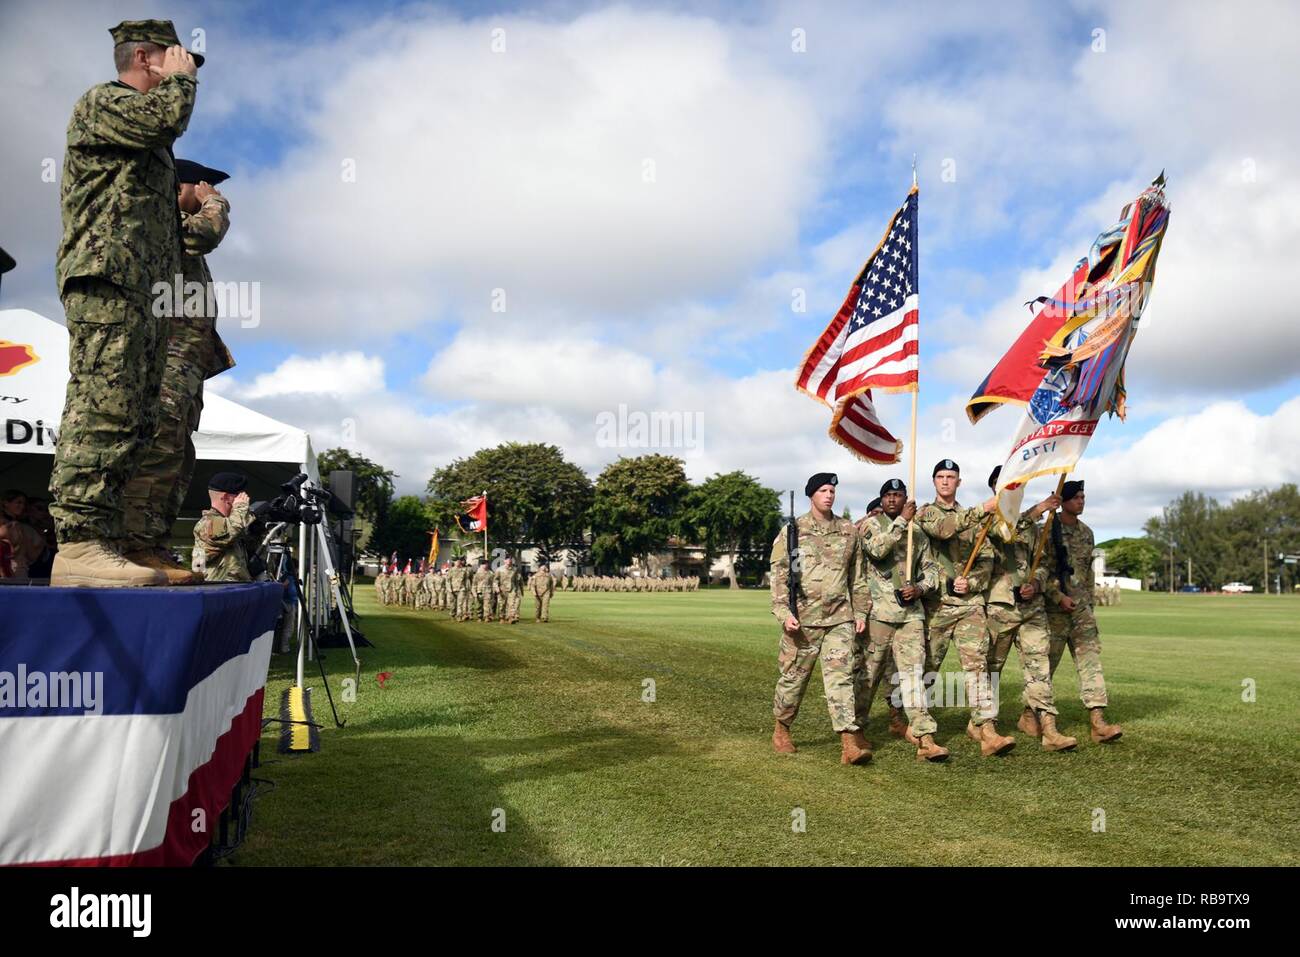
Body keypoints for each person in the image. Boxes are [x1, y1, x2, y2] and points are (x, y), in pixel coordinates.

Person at [49, 20, 201, 588]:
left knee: (139, 419)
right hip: (107, 278)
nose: (186, 64)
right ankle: (80, 542)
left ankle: (114, 541)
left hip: (145, 292)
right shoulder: (104, 103)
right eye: (175, 56)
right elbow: (166, 117)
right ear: (143, 55)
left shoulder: (149, 142)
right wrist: (180, 84)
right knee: (104, 404)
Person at [119, 159, 235, 583]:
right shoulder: (161, 215)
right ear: (178, 185)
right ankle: (135, 545)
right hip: (165, 361)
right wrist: (215, 203)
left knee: (177, 455)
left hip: (185, 366)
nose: (207, 190)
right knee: (158, 451)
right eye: (200, 184)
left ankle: (153, 542)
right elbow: (205, 233)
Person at [768, 472, 873, 765]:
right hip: (802, 620)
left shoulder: (849, 531)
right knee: (793, 680)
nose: (829, 495)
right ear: (811, 495)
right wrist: (783, 613)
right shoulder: (792, 531)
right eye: (823, 490)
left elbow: (858, 578)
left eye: (832, 490)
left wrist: (861, 612)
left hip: (840, 618)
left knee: (841, 679)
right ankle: (782, 729)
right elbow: (779, 577)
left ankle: (848, 743)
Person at [915, 459, 1015, 757]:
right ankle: (917, 726)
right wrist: (983, 508)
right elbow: (944, 530)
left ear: (959, 482)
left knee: (977, 666)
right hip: (938, 606)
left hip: (970, 605)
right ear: (934, 481)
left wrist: (971, 583)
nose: (946, 481)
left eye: (951, 477)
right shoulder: (926, 512)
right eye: (941, 477)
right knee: (928, 667)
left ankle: (986, 731)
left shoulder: (973, 519)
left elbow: (986, 559)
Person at [984, 468, 1077, 751]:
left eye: (1019, 485)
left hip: (1032, 610)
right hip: (1000, 609)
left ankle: (1049, 729)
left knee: (1039, 667)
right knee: (991, 669)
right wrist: (1038, 509)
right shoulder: (987, 520)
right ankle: (983, 724)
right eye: (1009, 487)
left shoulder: (1036, 528)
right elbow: (1005, 533)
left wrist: (1036, 584)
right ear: (996, 490)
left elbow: (1045, 563)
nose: (1015, 490)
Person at [859, 479, 948, 761]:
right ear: (881, 499)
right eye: (888, 495)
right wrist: (901, 523)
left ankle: (924, 737)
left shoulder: (918, 534)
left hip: (911, 615)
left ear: (906, 498)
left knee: (913, 676)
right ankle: (855, 729)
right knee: (869, 676)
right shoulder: (871, 526)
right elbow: (877, 551)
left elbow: (932, 570)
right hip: (879, 615)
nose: (893, 500)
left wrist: (920, 588)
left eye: (898, 495)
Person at [1044, 480, 1123, 743]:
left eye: (1083, 497)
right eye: (1076, 497)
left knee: (1090, 662)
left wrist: (1088, 602)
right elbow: (1037, 572)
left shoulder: (1087, 533)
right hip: (1054, 611)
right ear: (1064, 501)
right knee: (1045, 668)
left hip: (1081, 611)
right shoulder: (1046, 530)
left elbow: (1087, 571)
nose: (1081, 501)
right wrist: (1057, 597)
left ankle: (1098, 721)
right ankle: (1031, 716)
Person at [193, 472, 254, 582]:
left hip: (236, 589)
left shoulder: (234, 521)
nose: (245, 498)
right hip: (217, 590)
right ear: (226, 497)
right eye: (239, 494)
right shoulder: (207, 523)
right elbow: (230, 533)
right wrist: (240, 507)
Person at [0, 490, 49, 580]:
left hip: (22, 569)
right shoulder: (4, 523)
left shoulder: (22, 526)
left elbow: (31, 554)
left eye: (24, 503)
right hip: (7, 570)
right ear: (6, 503)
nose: (22, 506)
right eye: (18, 502)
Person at [496, 556, 522, 623]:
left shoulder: (514, 569)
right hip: (502, 589)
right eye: (507, 560)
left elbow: (516, 580)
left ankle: (511, 617)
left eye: (510, 560)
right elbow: (495, 580)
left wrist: (516, 589)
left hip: (512, 589)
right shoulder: (499, 569)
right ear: (504, 561)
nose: (509, 561)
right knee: (502, 604)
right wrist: (497, 588)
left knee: (512, 604)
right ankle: (502, 617)